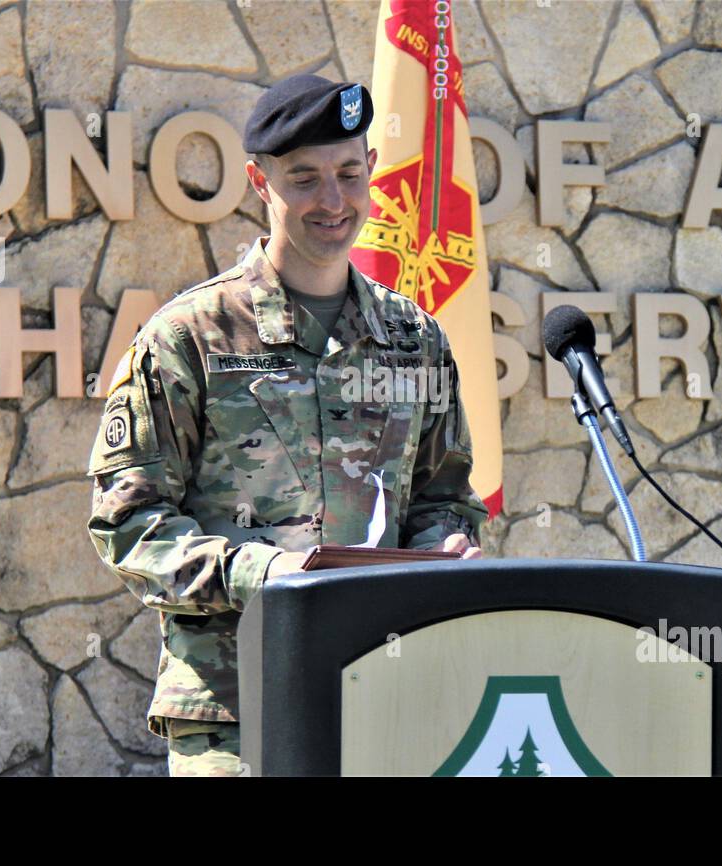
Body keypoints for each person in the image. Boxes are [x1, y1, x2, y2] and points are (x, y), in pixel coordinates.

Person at [85, 74, 488, 777]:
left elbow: (444, 496)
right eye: (304, 178)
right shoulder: (189, 338)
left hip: (388, 696)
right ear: (258, 182)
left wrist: (442, 550)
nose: (332, 201)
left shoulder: (415, 340)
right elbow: (128, 524)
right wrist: (267, 572)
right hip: (237, 712)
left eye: (349, 174)